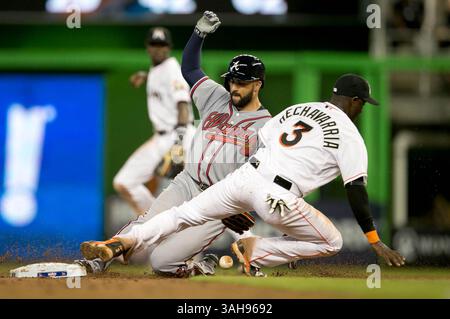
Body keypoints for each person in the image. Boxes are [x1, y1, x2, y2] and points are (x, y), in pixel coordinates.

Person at [80, 67, 407, 276]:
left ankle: (124, 240)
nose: (362, 108)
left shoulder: (298, 109)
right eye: (362, 102)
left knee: (182, 214)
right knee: (332, 241)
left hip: (243, 177)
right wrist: (375, 241)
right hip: (277, 194)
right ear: (353, 101)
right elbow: (356, 189)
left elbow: (264, 141)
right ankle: (259, 251)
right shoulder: (350, 135)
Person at [79, 11, 272, 277]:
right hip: (188, 181)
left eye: (241, 82)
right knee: (145, 222)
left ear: (257, 84)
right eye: (231, 80)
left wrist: (243, 204)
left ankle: (197, 265)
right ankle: (100, 260)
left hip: (218, 202)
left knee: (161, 262)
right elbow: (190, 69)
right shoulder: (216, 97)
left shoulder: (266, 126)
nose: (234, 87)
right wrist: (198, 34)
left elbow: (263, 175)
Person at [113, 27, 196, 215]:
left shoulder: (173, 69)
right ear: (147, 47)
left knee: (207, 192)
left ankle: (246, 237)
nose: (158, 49)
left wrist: (179, 143)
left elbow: (182, 103)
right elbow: (161, 78)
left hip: (180, 136)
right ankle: (153, 221)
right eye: (154, 45)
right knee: (124, 182)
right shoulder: (158, 70)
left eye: (162, 45)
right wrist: (145, 75)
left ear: (169, 47)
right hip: (161, 138)